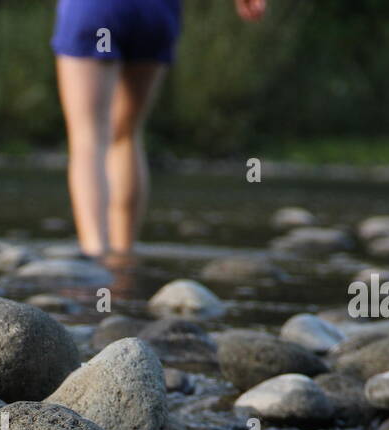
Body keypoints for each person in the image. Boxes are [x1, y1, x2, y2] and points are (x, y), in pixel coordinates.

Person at [53, 0, 266, 260]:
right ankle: (122, 255)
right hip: (154, 11)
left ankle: (95, 252)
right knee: (127, 135)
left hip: (96, 8)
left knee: (89, 138)